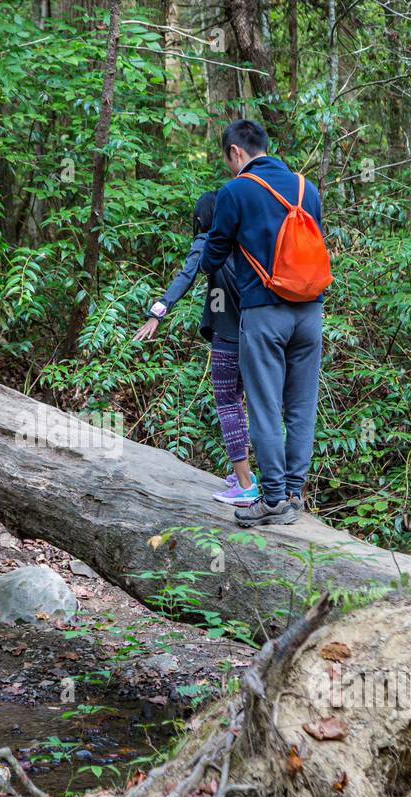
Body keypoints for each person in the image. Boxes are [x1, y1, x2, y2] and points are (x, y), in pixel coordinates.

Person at [201, 119, 326, 528]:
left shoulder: (235, 191)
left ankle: (272, 499)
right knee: (302, 407)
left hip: (264, 313)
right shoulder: (308, 189)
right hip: (310, 312)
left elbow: (213, 255)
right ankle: (294, 492)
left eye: (228, 160)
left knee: (264, 407)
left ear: (236, 153)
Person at [134, 192, 254, 506]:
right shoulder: (245, 238)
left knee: (228, 404)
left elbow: (186, 275)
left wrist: (157, 313)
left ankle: (244, 485)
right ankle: (248, 477)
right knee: (243, 403)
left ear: (201, 219)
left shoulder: (209, 239)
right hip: (258, 332)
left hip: (228, 335)